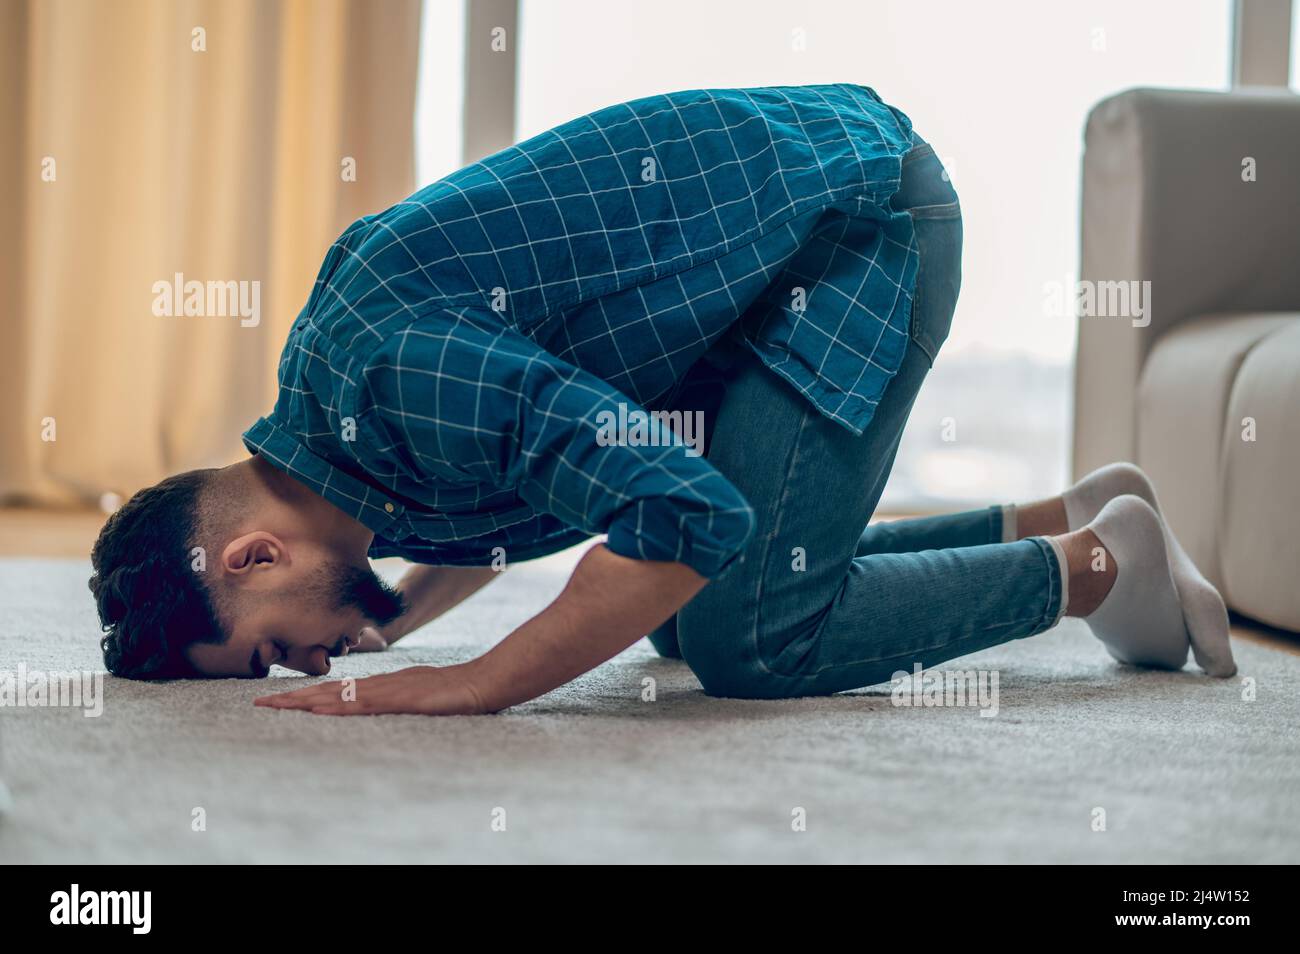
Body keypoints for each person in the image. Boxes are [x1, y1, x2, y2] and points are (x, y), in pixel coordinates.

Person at [88, 84, 1235, 717]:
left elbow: (681, 512)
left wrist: (477, 685)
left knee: (749, 642)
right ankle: (1048, 518)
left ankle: (1100, 569)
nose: (305, 668)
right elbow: (494, 504)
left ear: (248, 561)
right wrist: (397, 630)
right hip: (745, 280)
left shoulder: (400, 377)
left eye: (267, 656)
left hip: (849, 226)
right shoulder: (344, 437)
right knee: (671, 610)